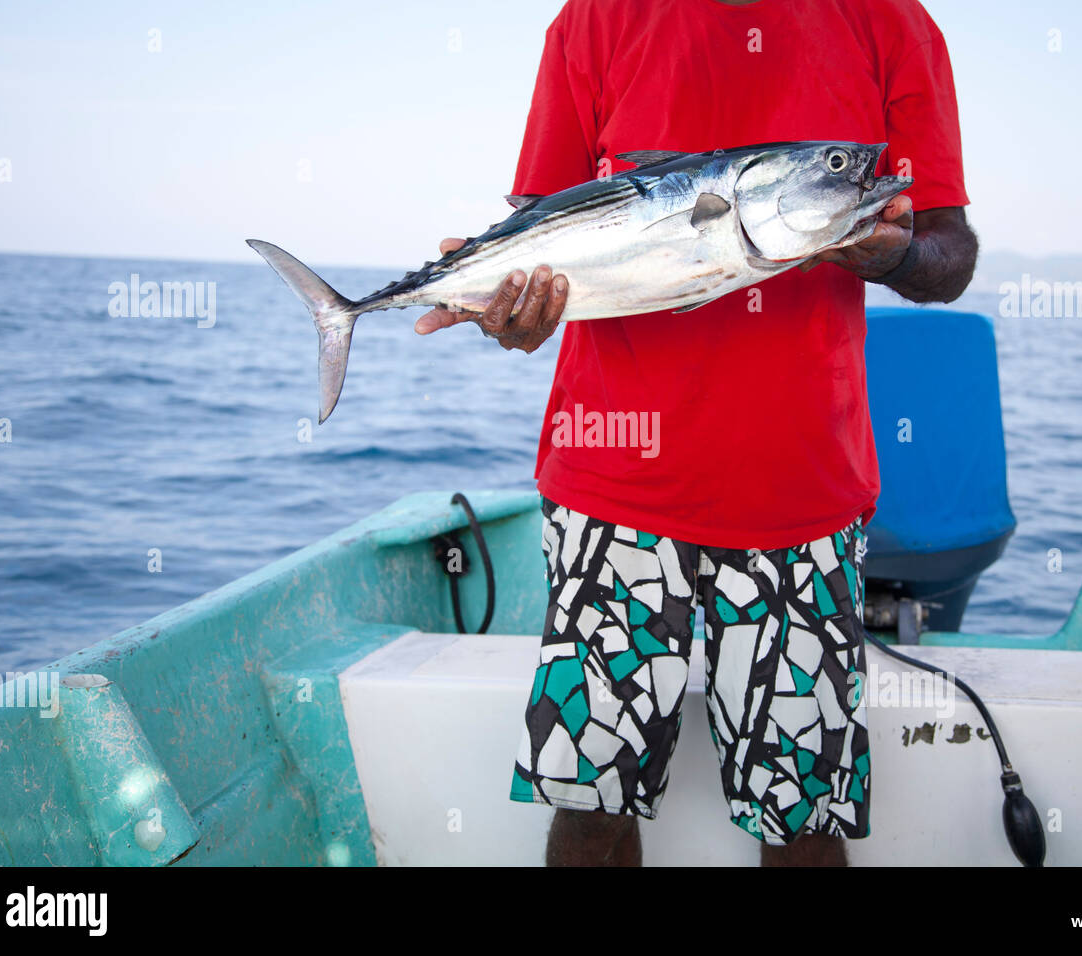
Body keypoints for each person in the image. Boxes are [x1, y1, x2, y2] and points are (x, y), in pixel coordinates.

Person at [415, 0, 977, 866]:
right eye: (835, 164)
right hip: (611, 491)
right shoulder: (594, 21)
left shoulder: (892, 23)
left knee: (803, 825)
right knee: (591, 809)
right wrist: (514, 314)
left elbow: (950, 250)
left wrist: (897, 256)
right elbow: (549, 231)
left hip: (806, 503)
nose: (852, 169)